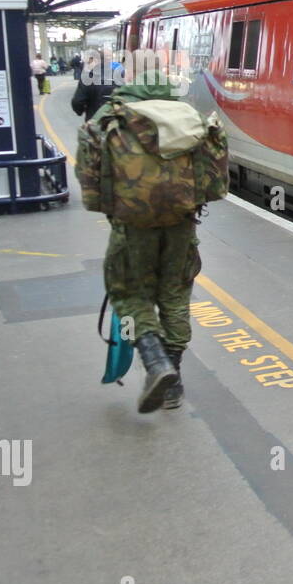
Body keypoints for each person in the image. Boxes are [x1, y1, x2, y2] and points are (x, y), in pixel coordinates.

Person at [76, 69, 226, 413]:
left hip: (132, 228)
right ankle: (173, 384)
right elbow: (215, 185)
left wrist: (117, 207)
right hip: (181, 225)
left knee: (130, 294)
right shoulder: (191, 119)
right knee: (174, 295)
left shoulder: (111, 118)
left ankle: (156, 362)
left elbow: (90, 189)